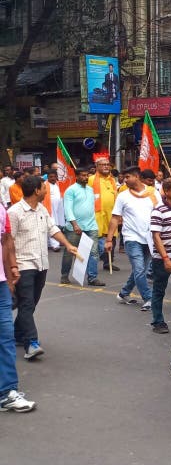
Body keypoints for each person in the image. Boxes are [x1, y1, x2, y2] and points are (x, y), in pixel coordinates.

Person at [8, 175, 78, 360]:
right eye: (44, 187)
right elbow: (8, 242)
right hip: (24, 264)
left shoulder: (41, 209)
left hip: (41, 264)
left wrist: (68, 245)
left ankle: (17, 334)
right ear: (37, 190)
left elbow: (53, 229)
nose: (46, 190)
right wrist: (12, 267)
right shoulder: (15, 212)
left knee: (31, 303)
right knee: (27, 303)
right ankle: (31, 343)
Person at [106, 166, 160, 309]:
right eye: (123, 177)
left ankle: (124, 293)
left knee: (140, 270)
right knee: (139, 269)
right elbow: (115, 218)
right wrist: (109, 239)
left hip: (150, 238)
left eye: (127, 177)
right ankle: (148, 298)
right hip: (131, 237)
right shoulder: (123, 196)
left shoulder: (153, 193)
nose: (124, 180)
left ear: (136, 176)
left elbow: (160, 213)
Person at [0, 201, 36, 412]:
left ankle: (6, 393)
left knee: (6, 338)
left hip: (1, 284)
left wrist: (12, 267)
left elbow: (6, 240)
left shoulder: (1, 207)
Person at [150, 178, 171, 334]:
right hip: (163, 258)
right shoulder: (159, 210)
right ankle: (158, 321)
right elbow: (156, 236)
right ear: (167, 191)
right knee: (159, 290)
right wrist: (165, 258)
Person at [61, 167, 104, 286]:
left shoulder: (90, 190)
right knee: (70, 251)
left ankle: (92, 277)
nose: (85, 178)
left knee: (94, 252)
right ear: (77, 176)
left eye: (87, 175)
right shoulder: (71, 190)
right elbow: (68, 209)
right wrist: (74, 224)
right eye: (83, 176)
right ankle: (64, 275)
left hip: (91, 226)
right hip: (75, 227)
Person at [89, 157, 119, 271]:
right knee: (98, 240)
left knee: (112, 238)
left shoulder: (112, 180)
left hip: (112, 215)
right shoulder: (91, 179)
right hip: (97, 215)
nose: (106, 166)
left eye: (108, 164)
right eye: (103, 164)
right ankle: (93, 264)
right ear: (97, 166)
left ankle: (108, 263)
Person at [46, 169, 64, 251]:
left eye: (54, 176)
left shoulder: (58, 184)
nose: (53, 178)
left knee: (57, 225)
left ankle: (52, 243)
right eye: (51, 177)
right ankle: (55, 245)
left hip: (58, 209)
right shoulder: (44, 185)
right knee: (52, 226)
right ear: (48, 177)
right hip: (49, 208)